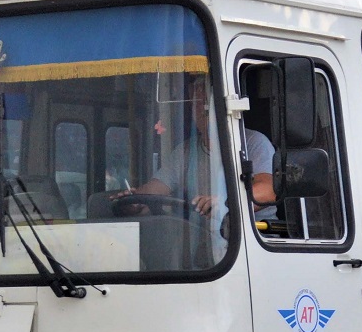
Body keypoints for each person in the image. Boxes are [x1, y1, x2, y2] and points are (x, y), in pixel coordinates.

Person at [117, 76, 277, 230]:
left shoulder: (254, 142)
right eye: (196, 103)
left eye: (206, 103)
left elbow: (269, 190)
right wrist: (135, 200)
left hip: (251, 237)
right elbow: (157, 188)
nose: (201, 110)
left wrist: (226, 203)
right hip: (204, 239)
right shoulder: (186, 151)